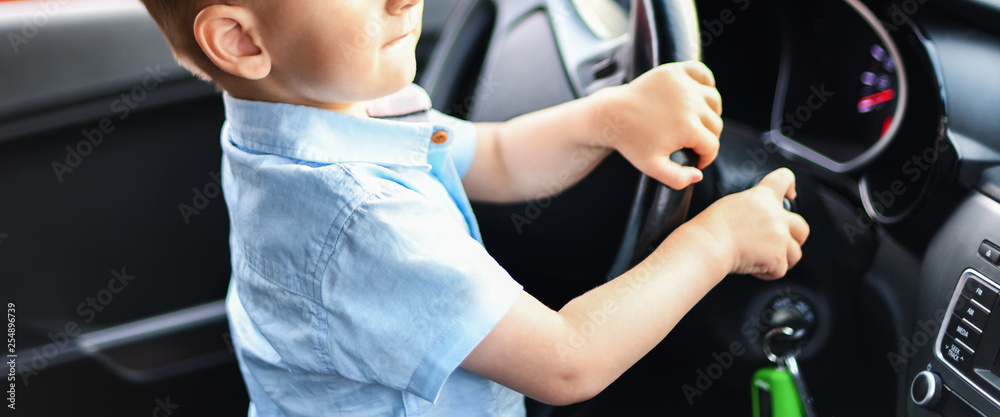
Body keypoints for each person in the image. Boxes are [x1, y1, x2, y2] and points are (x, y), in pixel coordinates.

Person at [138, 0, 809, 415]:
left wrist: (610, 116)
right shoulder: (361, 216)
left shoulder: (314, 110)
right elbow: (567, 361)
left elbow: (493, 155)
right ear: (242, 43)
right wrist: (717, 241)